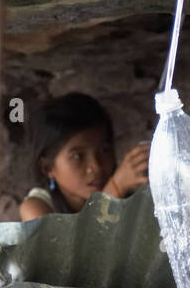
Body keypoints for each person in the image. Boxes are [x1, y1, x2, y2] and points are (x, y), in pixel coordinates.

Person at [20, 93, 149, 220]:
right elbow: (78, 242)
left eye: (104, 150)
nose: (96, 167)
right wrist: (115, 188)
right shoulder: (36, 208)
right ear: (47, 168)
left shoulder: (128, 194)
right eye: (77, 156)